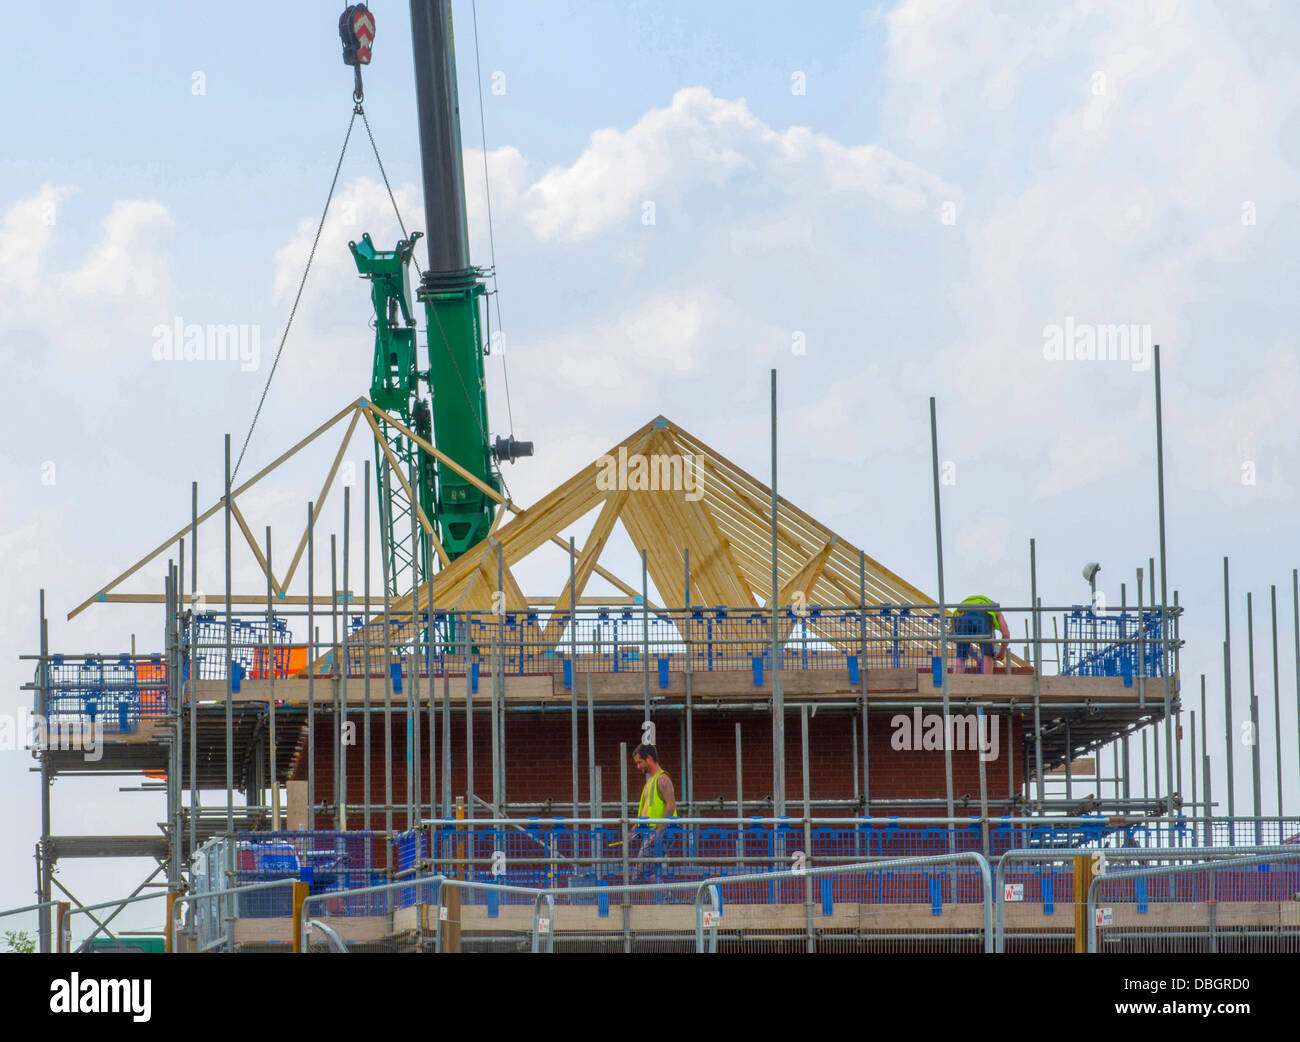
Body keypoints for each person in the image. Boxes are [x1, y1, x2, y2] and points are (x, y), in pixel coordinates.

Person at [631, 744, 677, 881]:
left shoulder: (662, 779)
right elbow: (646, 811)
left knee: (640, 872)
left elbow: (671, 805)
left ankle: (663, 899)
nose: (638, 767)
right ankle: (665, 899)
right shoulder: (651, 782)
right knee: (649, 871)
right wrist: (634, 830)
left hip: (659, 832)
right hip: (653, 833)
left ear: (649, 758)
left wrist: (659, 832)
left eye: (639, 762)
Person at [954, 594, 1010, 674]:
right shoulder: (995, 609)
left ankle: (956, 682)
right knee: (988, 653)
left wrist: (977, 659)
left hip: (962, 615)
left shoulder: (958, 613)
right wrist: (1002, 652)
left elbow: (963, 643)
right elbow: (1006, 634)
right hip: (984, 614)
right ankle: (986, 682)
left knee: (960, 653)